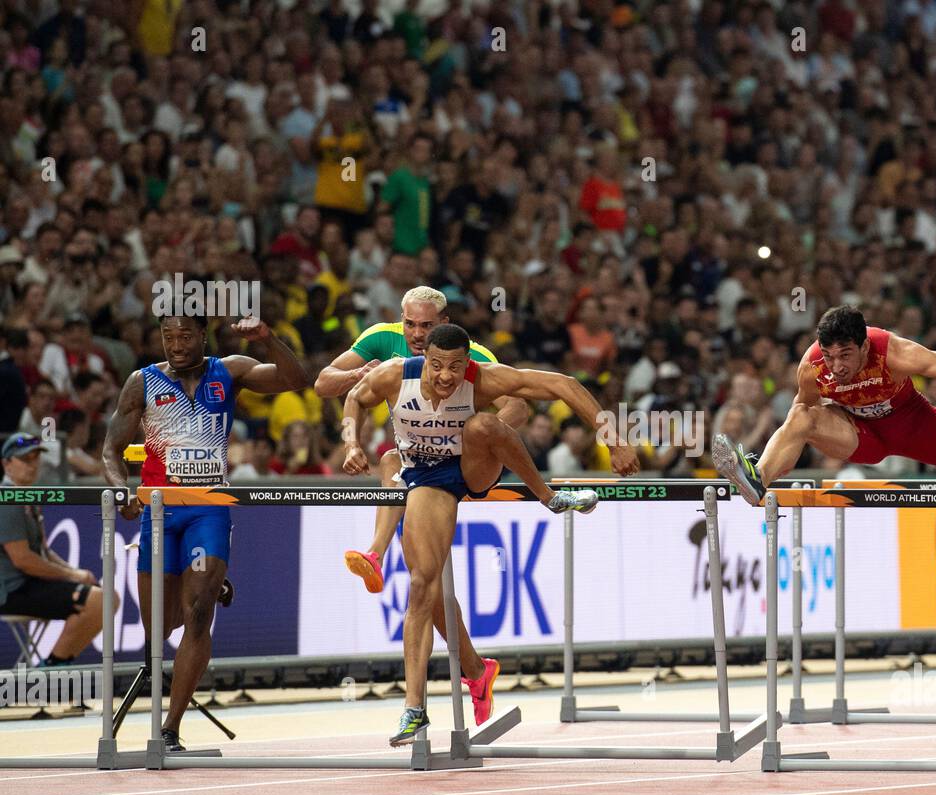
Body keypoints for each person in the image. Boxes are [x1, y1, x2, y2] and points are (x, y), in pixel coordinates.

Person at [341, 322, 639, 745]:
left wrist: (614, 440)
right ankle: (415, 709)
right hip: (426, 476)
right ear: (423, 357)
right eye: (438, 366)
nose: (446, 377)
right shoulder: (394, 373)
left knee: (483, 426)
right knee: (422, 586)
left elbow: (565, 385)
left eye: (456, 368)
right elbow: (354, 397)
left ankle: (548, 497)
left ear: (468, 364)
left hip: (468, 466)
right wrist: (352, 443)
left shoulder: (484, 379)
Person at [102, 312, 308, 752]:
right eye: (167, 336)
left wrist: (268, 337)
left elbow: (295, 379)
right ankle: (212, 585)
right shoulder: (142, 382)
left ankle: (169, 728)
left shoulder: (229, 370)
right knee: (159, 626)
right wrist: (122, 491)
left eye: (184, 336)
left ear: (202, 336)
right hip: (159, 511)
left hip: (209, 507)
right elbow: (110, 451)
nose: (175, 344)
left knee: (196, 614)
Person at [314, 285, 527, 593]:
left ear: (443, 323)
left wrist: (473, 440)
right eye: (410, 324)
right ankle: (375, 555)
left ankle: (376, 553)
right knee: (427, 589)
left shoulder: (472, 354)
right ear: (401, 320)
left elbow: (518, 407)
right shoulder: (382, 338)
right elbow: (323, 383)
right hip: (416, 462)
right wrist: (358, 374)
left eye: (426, 326)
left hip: (462, 464)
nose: (416, 333)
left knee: (426, 586)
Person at [713, 304, 936, 505]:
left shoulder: (893, 352)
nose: (837, 367)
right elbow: (799, 420)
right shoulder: (813, 366)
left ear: (865, 346)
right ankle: (758, 479)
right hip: (860, 436)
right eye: (829, 356)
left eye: (845, 355)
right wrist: (786, 456)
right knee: (802, 413)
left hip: (917, 426)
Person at [0, 433, 116, 665]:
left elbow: (43, 550)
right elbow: (22, 559)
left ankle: (56, 666)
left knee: (103, 596)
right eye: (25, 459)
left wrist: (76, 572)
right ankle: (50, 670)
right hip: (10, 590)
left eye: (35, 459)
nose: (32, 465)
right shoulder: (7, 500)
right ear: (7, 463)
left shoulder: (28, 496)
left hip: (28, 584)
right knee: (99, 600)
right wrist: (72, 575)